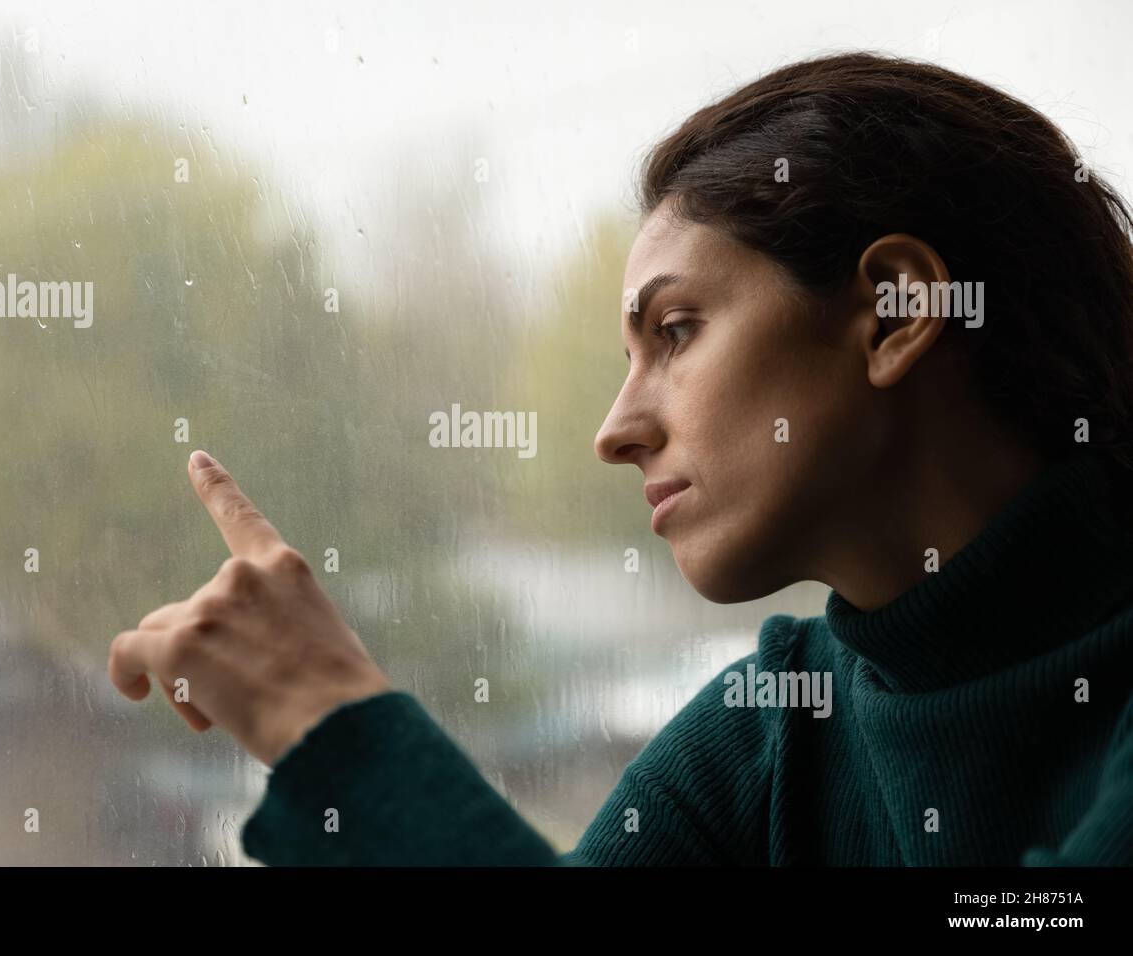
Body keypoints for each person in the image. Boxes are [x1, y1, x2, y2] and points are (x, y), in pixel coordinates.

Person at [108, 52, 1133, 865]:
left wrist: (323, 719)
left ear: (894, 311)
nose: (613, 429)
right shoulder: (775, 725)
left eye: (676, 330)